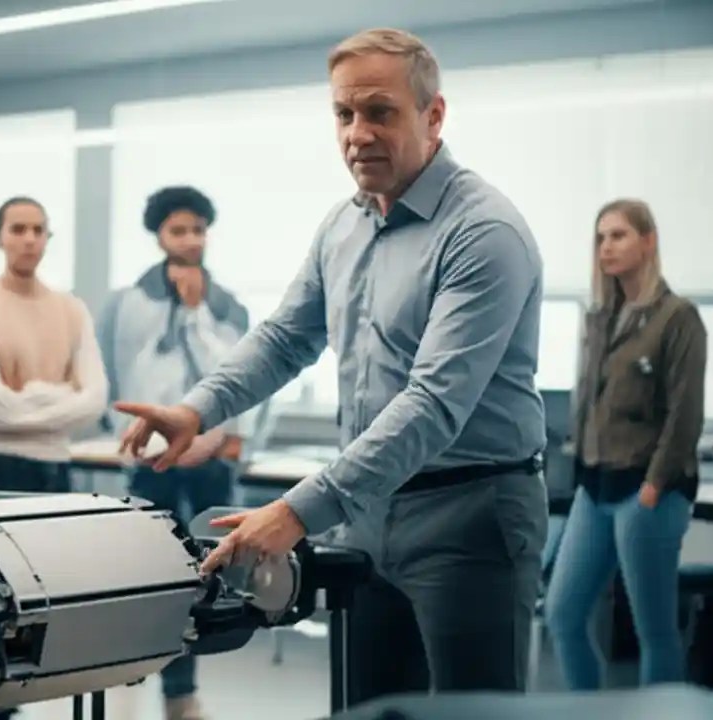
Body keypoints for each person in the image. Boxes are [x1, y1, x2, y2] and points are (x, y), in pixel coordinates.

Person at [115, 27, 550, 696]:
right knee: (369, 707)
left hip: (471, 517)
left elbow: (433, 404)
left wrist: (296, 511)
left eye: (380, 111)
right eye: (344, 114)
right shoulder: (343, 225)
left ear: (433, 116)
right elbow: (287, 337)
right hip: (369, 516)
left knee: (475, 714)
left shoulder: (484, 231)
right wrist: (195, 410)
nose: (357, 133)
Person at [97, 185, 248, 720]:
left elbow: (236, 375)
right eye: (178, 230)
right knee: (148, 573)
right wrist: (135, 443)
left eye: (198, 229)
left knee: (205, 577)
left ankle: (182, 694)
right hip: (153, 460)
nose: (189, 240)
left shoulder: (228, 305)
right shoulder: (128, 303)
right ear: (159, 235)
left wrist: (196, 313)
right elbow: (122, 376)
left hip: (209, 459)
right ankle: (135, 674)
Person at [543, 199, 706, 690]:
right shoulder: (600, 317)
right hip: (594, 489)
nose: (605, 247)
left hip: (648, 492)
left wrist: (653, 488)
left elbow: (685, 416)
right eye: (599, 238)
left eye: (617, 235)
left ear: (648, 241)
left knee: (653, 633)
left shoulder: (678, 318)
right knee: (563, 614)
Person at [0, 196, 107, 493]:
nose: (30, 240)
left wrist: (26, 394)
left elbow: (95, 401)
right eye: (18, 230)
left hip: (58, 465)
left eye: (38, 230)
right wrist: (62, 393)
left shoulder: (72, 308)